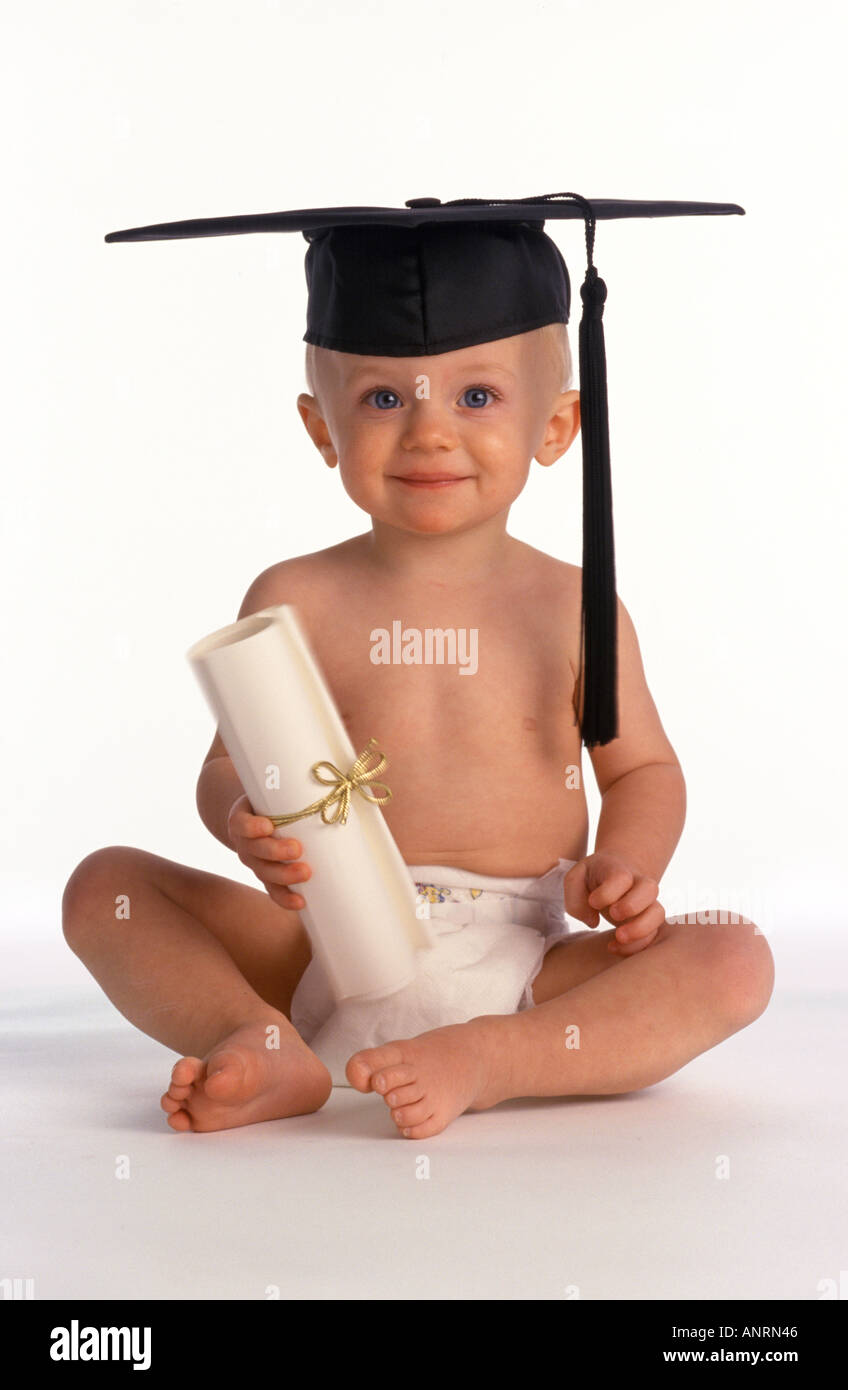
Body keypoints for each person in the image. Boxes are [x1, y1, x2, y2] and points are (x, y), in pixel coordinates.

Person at [62, 194, 774, 1138]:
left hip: (523, 957)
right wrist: (240, 821)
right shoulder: (298, 595)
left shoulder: (574, 603)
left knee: (735, 958)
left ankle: (491, 1058)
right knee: (104, 888)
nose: (430, 432)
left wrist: (625, 863)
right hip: (322, 936)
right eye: (384, 399)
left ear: (556, 427)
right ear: (324, 431)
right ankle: (260, 1038)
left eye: (477, 397)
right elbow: (228, 762)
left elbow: (641, 768)